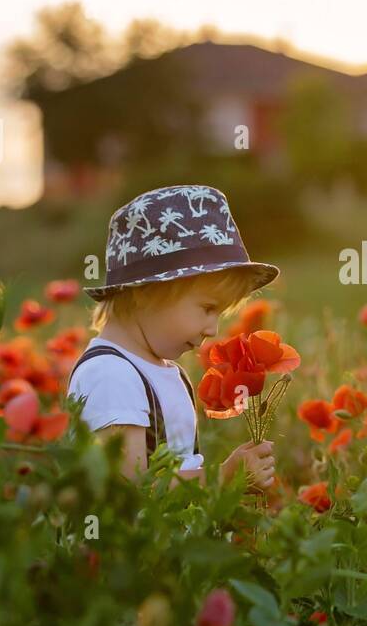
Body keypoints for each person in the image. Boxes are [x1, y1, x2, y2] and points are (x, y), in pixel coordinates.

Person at [68, 185, 278, 488]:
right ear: (146, 292)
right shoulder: (111, 375)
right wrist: (222, 479)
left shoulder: (165, 372)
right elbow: (128, 490)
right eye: (207, 308)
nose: (212, 330)